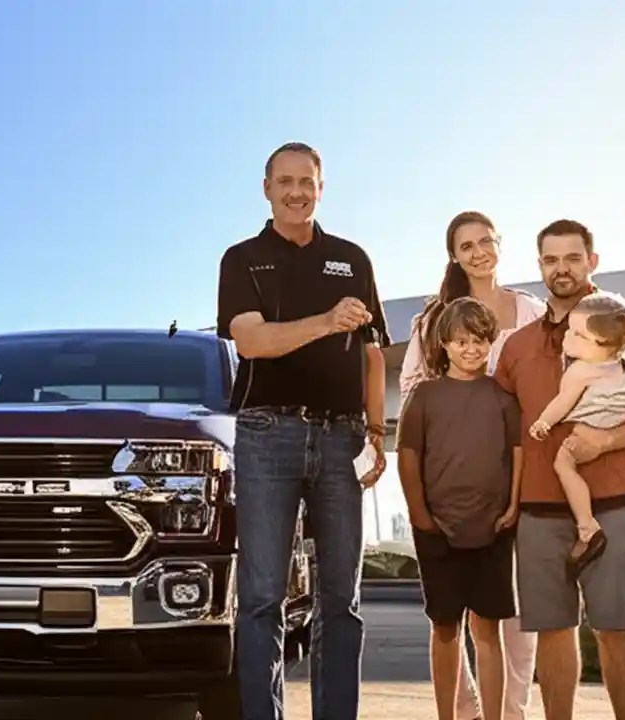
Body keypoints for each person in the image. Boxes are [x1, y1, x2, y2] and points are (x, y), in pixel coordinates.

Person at [216, 141, 391, 720]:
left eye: (307, 181)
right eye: (285, 181)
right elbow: (252, 341)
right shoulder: (241, 259)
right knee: (263, 597)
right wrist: (325, 321)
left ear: (322, 187)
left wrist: (376, 432)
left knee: (342, 599)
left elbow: (371, 357)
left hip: (344, 439)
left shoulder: (352, 258)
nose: (296, 191)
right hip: (268, 435)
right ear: (266, 188)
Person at [493, 219, 625, 720]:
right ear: (540, 267)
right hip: (539, 508)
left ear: (592, 261)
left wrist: (607, 442)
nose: (562, 269)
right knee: (552, 630)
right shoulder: (515, 346)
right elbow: (508, 433)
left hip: (613, 500)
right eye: (551, 260)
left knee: (615, 626)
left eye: (572, 258)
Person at [399, 210, 540, 720]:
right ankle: (462, 710)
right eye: (466, 245)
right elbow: (412, 394)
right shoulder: (433, 320)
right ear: (453, 255)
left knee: (512, 613)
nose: (478, 252)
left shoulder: (529, 309)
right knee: (448, 621)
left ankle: (512, 710)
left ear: (499, 244)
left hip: (512, 477)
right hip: (450, 483)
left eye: (486, 241)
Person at [528, 290, 625, 579]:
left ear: (602, 345)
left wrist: (543, 423)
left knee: (563, 465)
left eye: (577, 334)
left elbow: (562, 403)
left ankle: (587, 527)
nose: (567, 338)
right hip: (624, 423)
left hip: (589, 429)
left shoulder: (581, 371)